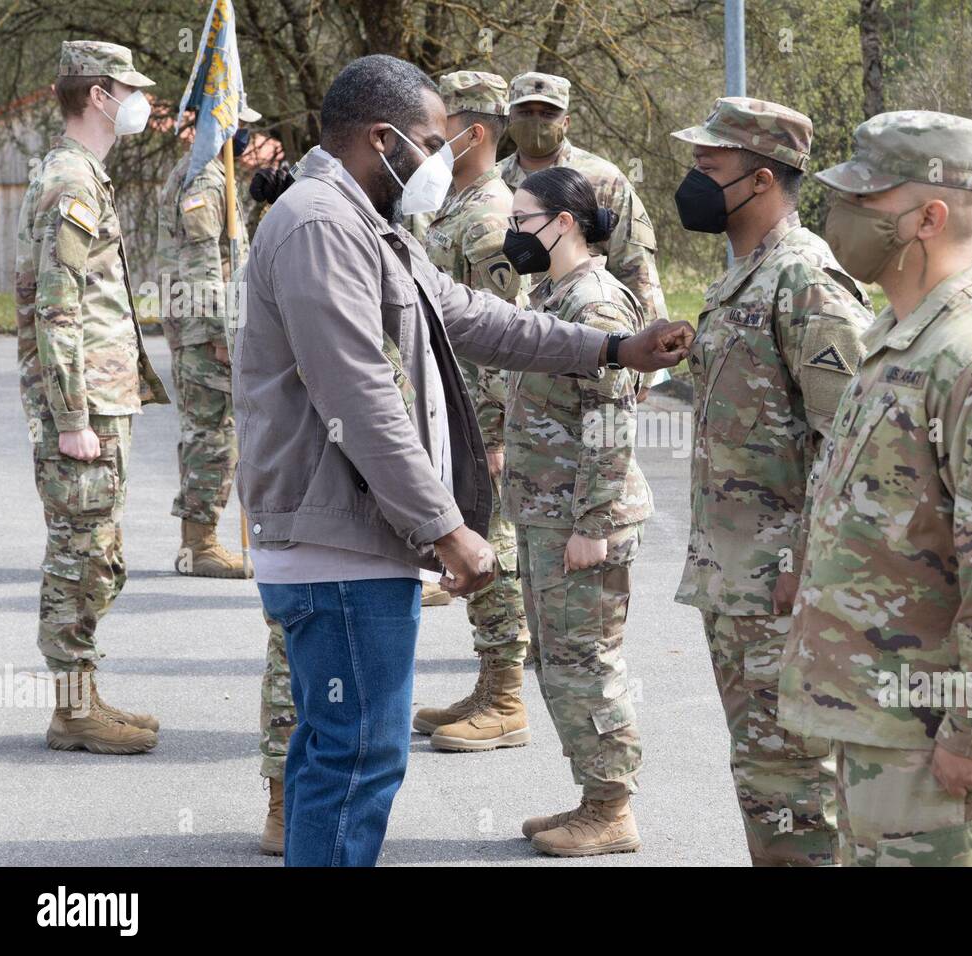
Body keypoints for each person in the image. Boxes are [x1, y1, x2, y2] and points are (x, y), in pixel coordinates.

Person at [231, 55, 690, 867]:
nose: (445, 159)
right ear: (383, 140)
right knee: (358, 759)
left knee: (333, 751)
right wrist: (447, 530)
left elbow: (477, 318)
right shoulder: (317, 225)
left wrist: (614, 345)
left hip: (348, 539)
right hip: (335, 543)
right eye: (432, 142)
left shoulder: (364, 224)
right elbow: (357, 395)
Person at [777, 111, 972, 867]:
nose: (837, 218)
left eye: (864, 204)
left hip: (938, 744)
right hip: (883, 727)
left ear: (929, 217)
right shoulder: (899, 337)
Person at [669, 98, 873, 866]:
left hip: (782, 583)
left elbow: (850, 444)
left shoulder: (806, 283)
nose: (692, 180)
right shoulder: (745, 279)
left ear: (760, 179)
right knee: (765, 772)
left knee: (793, 779)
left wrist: (803, 563)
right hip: (738, 578)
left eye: (707, 167)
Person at [16, 40, 169, 755]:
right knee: (81, 557)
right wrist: (73, 416)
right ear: (100, 95)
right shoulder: (71, 183)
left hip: (106, 400)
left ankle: (83, 698)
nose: (143, 100)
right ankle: (74, 712)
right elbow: (58, 306)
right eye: (131, 88)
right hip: (87, 410)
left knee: (96, 552)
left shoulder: (83, 175)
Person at [501, 167, 650, 857]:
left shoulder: (592, 304)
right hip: (546, 510)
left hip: (579, 518)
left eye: (522, 218)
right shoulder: (551, 293)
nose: (512, 232)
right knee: (561, 664)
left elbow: (610, 421)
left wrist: (593, 526)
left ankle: (612, 810)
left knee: (585, 664)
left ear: (564, 222)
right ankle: (593, 796)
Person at [409, 71, 535, 752]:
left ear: (475, 132)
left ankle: (507, 698)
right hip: (457, 408)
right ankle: (490, 682)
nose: (430, 138)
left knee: (496, 550)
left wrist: (493, 431)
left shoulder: (489, 214)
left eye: (442, 125)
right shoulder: (460, 205)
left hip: (481, 416)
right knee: (481, 543)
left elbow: (504, 329)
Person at [497, 72, 668, 398]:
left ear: (567, 121)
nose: (536, 122)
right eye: (525, 113)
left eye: (547, 114)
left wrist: (646, 366)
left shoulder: (604, 180)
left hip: (589, 337)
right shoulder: (493, 183)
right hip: (509, 347)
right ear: (509, 118)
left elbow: (636, 266)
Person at [155, 106, 263, 579]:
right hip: (204, 330)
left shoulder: (213, 174)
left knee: (211, 433)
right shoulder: (204, 179)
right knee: (212, 436)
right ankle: (198, 546)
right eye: (241, 126)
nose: (247, 135)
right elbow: (202, 267)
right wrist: (224, 335)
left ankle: (197, 540)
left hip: (201, 325)